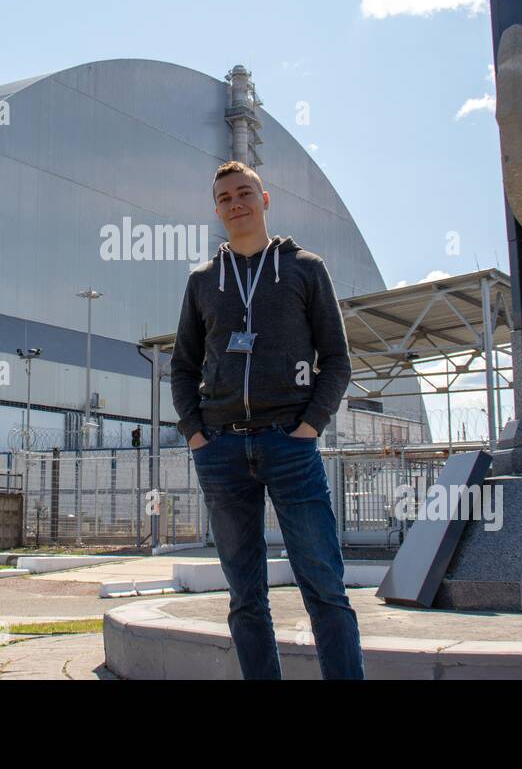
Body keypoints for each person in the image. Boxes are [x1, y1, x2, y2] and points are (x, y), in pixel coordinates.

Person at [170, 159, 363, 680]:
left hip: (289, 446)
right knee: (245, 597)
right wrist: (196, 435)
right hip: (222, 451)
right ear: (217, 209)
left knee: (324, 587)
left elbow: (338, 360)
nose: (236, 204)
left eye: (244, 194)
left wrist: (309, 427)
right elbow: (183, 367)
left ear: (264, 199)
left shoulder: (304, 268)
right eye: (225, 198)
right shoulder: (203, 281)